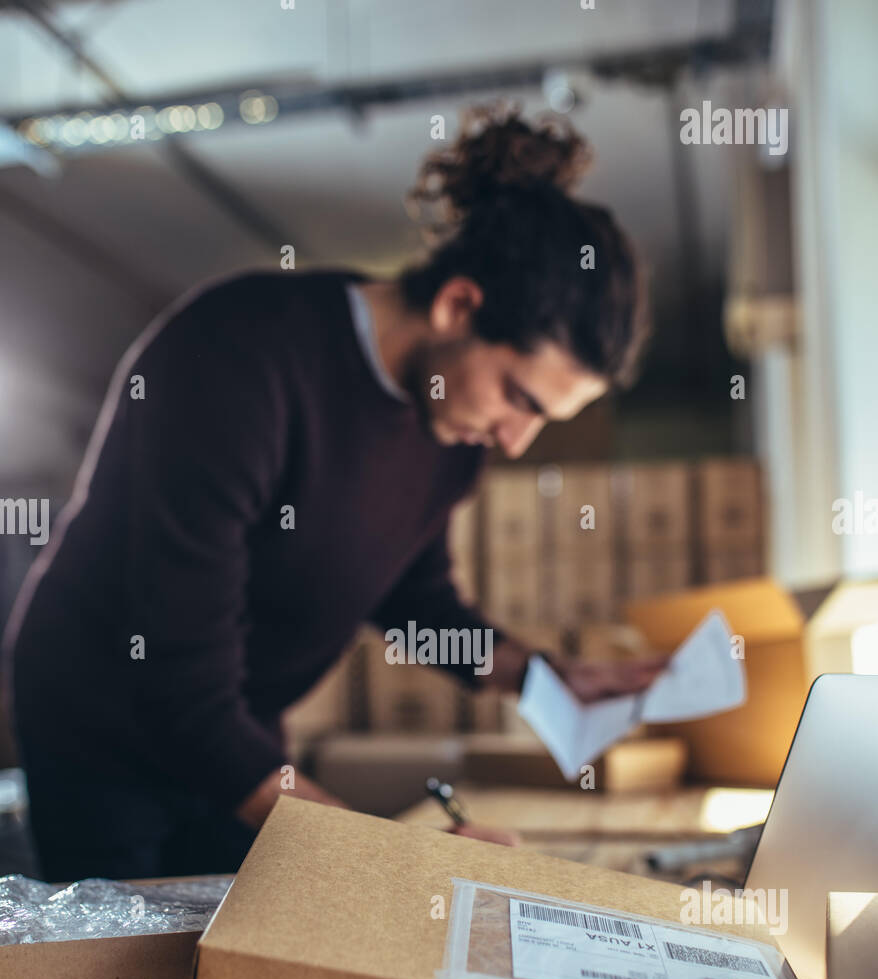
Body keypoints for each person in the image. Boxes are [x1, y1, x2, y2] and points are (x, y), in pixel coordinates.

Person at [5, 105, 663, 881]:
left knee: (247, 943)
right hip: (104, 717)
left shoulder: (454, 422)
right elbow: (178, 683)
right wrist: (390, 860)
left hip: (234, 724)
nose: (517, 440)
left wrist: (540, 676)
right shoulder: (240, 358)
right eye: (520, 398)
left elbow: (414, 594)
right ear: (458, 307)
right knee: (122, 976)